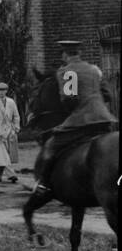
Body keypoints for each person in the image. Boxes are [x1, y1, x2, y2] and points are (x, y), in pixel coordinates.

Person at [32, 40, 119, 196]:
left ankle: (43, 184)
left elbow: (69, 99)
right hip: (105, 119)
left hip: (82, 120)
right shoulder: (95, 70)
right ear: (79, 53)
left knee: (51, 146)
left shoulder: (66, 72)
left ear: (64, 55)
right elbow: (108, 95)